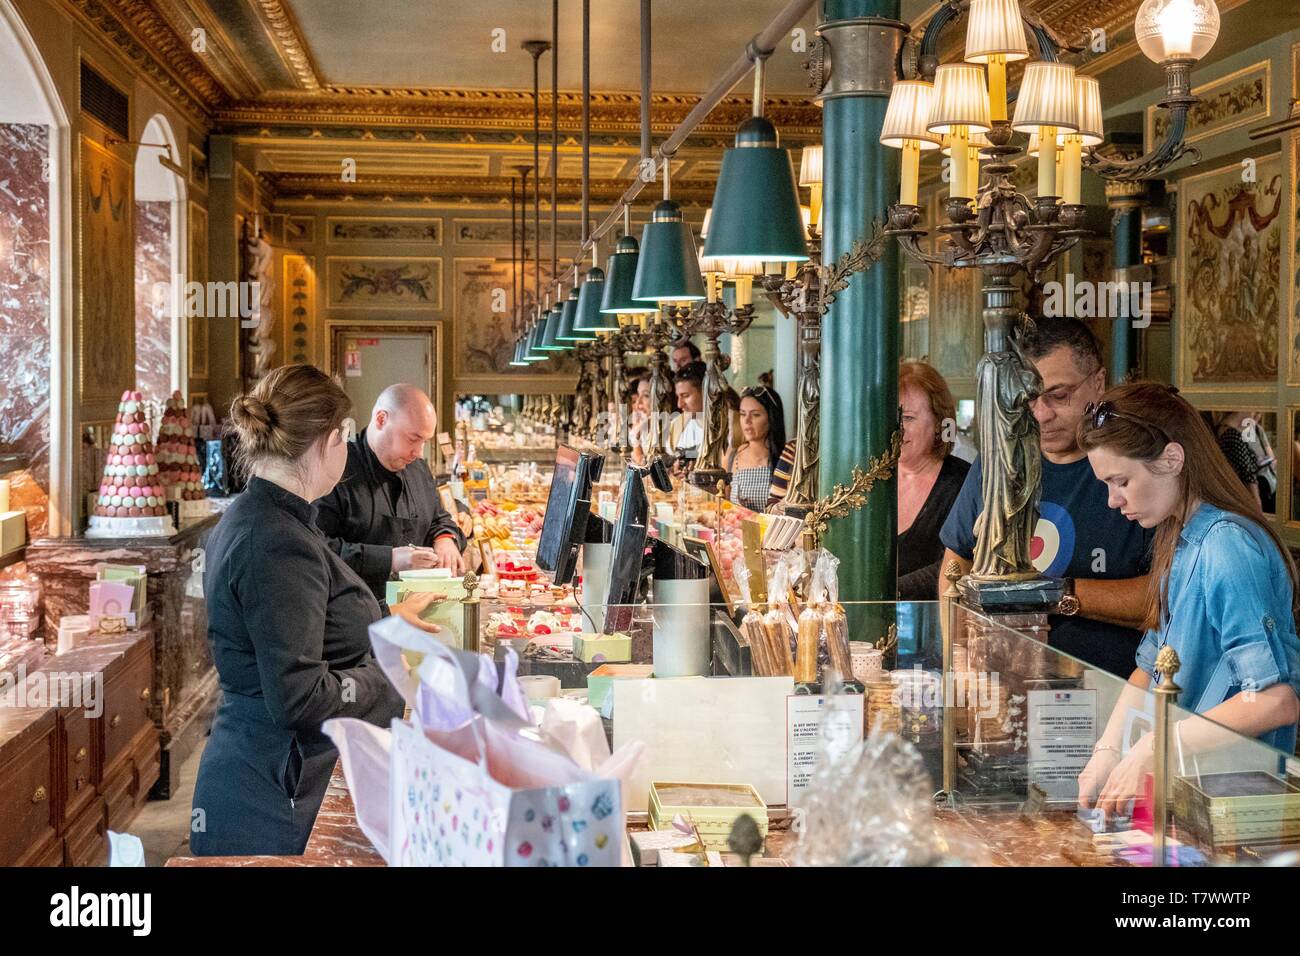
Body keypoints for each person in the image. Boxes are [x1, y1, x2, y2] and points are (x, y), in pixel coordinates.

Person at [193, 365, 442, 856]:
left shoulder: (271, 516)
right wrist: (393, 678)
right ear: (330, 441)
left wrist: (382, 630)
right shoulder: (276, 542)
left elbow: (301, 630)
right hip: (272, 795)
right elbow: (299, 697)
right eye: (343, 440)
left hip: (272, 774)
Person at [1076, 383, 1300, 815]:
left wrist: (1154, 749)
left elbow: (1275, 699)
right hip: (1189, 797)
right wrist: (1108, 748)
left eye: (1121, 481)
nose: (1112, 500)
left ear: (1172, 459)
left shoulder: (1227, 546)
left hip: (1236, 802)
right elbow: (1149, 667)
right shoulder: (1177, 537)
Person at [940, 318, 1155, 676]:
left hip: (1112, 691)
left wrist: (1055, 593)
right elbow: (955, 565)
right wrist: (958, 663)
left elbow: (1168, 597)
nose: (1041, 414)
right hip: (1006, 685)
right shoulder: (997, 461)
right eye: (1028, 399)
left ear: (1098, 384)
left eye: (1059, 395)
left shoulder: (1135, 467)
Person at [315, 383, 466, 608]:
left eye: (424, 441)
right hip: (358, 615)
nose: (418, 452)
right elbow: (319, 548)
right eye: (413, 439)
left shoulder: (419, 468)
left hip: (420, 611)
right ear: (381, 419)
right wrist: (390, 559)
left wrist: (445, 539)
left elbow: (439, 518)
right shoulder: (337, 470)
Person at [897, 361, 970, 599]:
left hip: (932, 628)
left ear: (940, 423)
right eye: (892, 416)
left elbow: (955, 567)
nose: (897, 428)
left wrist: (884, 594)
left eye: (908, 418)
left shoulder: (963, 482)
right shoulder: (869, 479)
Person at [725, 381, 795, 512]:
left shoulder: (787, 459)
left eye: (755, 415)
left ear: (771, 418)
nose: (746, 421)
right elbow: (725, 505)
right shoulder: (732, 456)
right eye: (742, 414)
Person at [1211, 411, 1264, 510]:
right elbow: (1248, 475)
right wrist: (1258, 509)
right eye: (1255, 412)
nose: (1256, 415)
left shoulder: (1223, 430)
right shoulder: (1233, 435)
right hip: (1245, 500)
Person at [667, 361, 706, 469]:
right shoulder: (677, 425)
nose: (680, 404)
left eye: (685, 395)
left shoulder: (730, 427)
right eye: (678, 396)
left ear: (705, 392)